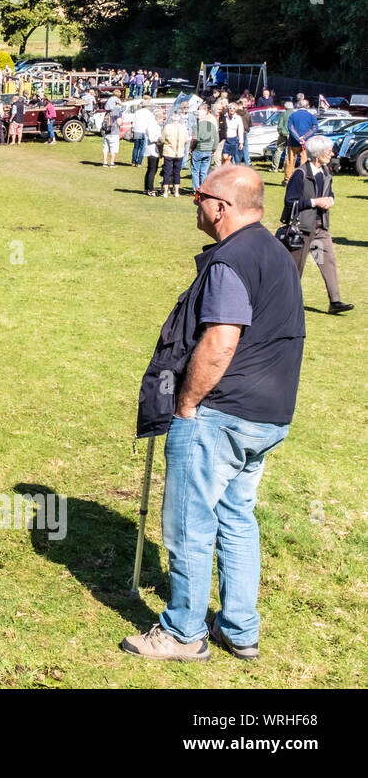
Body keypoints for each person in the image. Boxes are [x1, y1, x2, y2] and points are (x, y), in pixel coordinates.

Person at [123, 165, 305, 661]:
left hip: (222, 413)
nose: (194, 203)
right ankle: (241, 629)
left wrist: (186, 405)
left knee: (189, 523)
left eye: (199, 195)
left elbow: (221, 341)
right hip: (269, 414)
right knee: (237, 517)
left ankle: (183, 632)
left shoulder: (233, 259)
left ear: (221, 207)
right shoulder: (275, 252)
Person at [284, 135, 354, 315]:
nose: (332, 154)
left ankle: (335, 301)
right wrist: (315, 202)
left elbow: (328, 192)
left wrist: (330, 199)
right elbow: (290, 201)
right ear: (318, 154)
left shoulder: (326, 172)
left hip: (321, 228)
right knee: (296, 269)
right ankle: (285, 304)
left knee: (328, 262)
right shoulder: (300, 175)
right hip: (302, 229)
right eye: (328, 151)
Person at [284, 99, 318, 183]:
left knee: (290, 161)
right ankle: (303, 178)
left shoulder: (293, 115)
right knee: (304, 161)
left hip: (294, 142)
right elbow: (314, 128)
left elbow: (290, 128)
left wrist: (298, 138)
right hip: (306, 143)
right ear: (308, 106)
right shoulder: (311, 116)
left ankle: (288, 179)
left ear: (298, 105)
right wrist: (304, 138)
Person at [160, 111, 189, 197]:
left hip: (169, 152)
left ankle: (165, 191)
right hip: (179, 153)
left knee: (167, 172)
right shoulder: (183, 127)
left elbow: (162, 139)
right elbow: (186, 139)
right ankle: (176, 191)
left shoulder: (167, 127)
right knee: (177, 172)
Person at [190, 106, 218, 190]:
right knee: (204, 172)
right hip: (208, 150)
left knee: (195, 171)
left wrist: (191, 148)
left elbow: (196, 139)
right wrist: (213, 149)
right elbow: (216, 138)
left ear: (198, 117)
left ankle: (196, 189)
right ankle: (203, 189)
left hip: (199, 150)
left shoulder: (198, 126)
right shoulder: (211, 125)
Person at [143, 108, 164, 195]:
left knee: (151, 169)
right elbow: (152, 138)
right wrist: (161, 139)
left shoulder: (157, 126)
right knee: (152, 170)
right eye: (162, 119)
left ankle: (147, 188)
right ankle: (150, 189)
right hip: (152, 150)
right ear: (157, 118)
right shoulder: (152, 126)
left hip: (155, 150)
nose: (162, 121)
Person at [131, 101, 156, 167]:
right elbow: (151, 124)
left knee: (136, 147)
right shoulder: (150, 113)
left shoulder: (137, 112)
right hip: (144, 131)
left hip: (137, 130)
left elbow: (134, 122)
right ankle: (139, 162)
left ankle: (133, 162)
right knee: (142, 148)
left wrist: (133, 130)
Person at [275, 101, 293, 173]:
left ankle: (275, 167)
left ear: (285, 107)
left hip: (283, 134)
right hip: (291, 135)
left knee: (279, 150)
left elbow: (280, 125)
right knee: (288, 152)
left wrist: (281, 132)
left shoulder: (283, 114)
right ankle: (285, 168)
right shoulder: (294, 114)